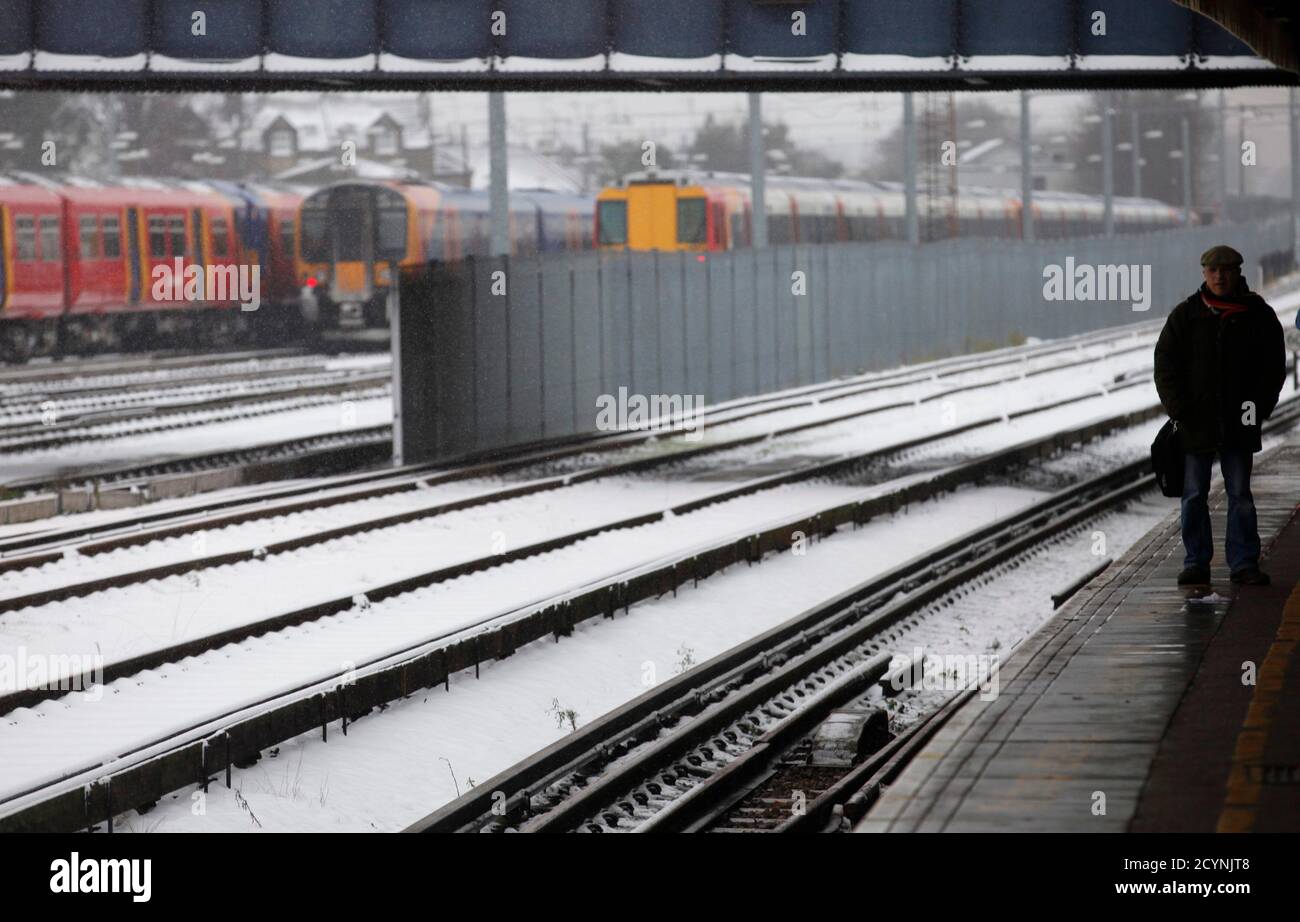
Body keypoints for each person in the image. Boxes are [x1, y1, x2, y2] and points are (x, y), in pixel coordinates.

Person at [1154, 245, 1286, 586]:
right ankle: (1196, 562)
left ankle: (1244, 563)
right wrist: (1180, 410)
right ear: (1204, 274)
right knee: (1194, 493)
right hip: (1196, 420)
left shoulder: (1257, 314)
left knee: (1239, 492)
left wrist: (1257, 409)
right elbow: (1165, 364)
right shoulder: (1186, 316)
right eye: (1213, 270)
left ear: (1237, 272)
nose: (1219, 276)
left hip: (1239, 419)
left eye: (1226, 270)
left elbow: (1273, 366)